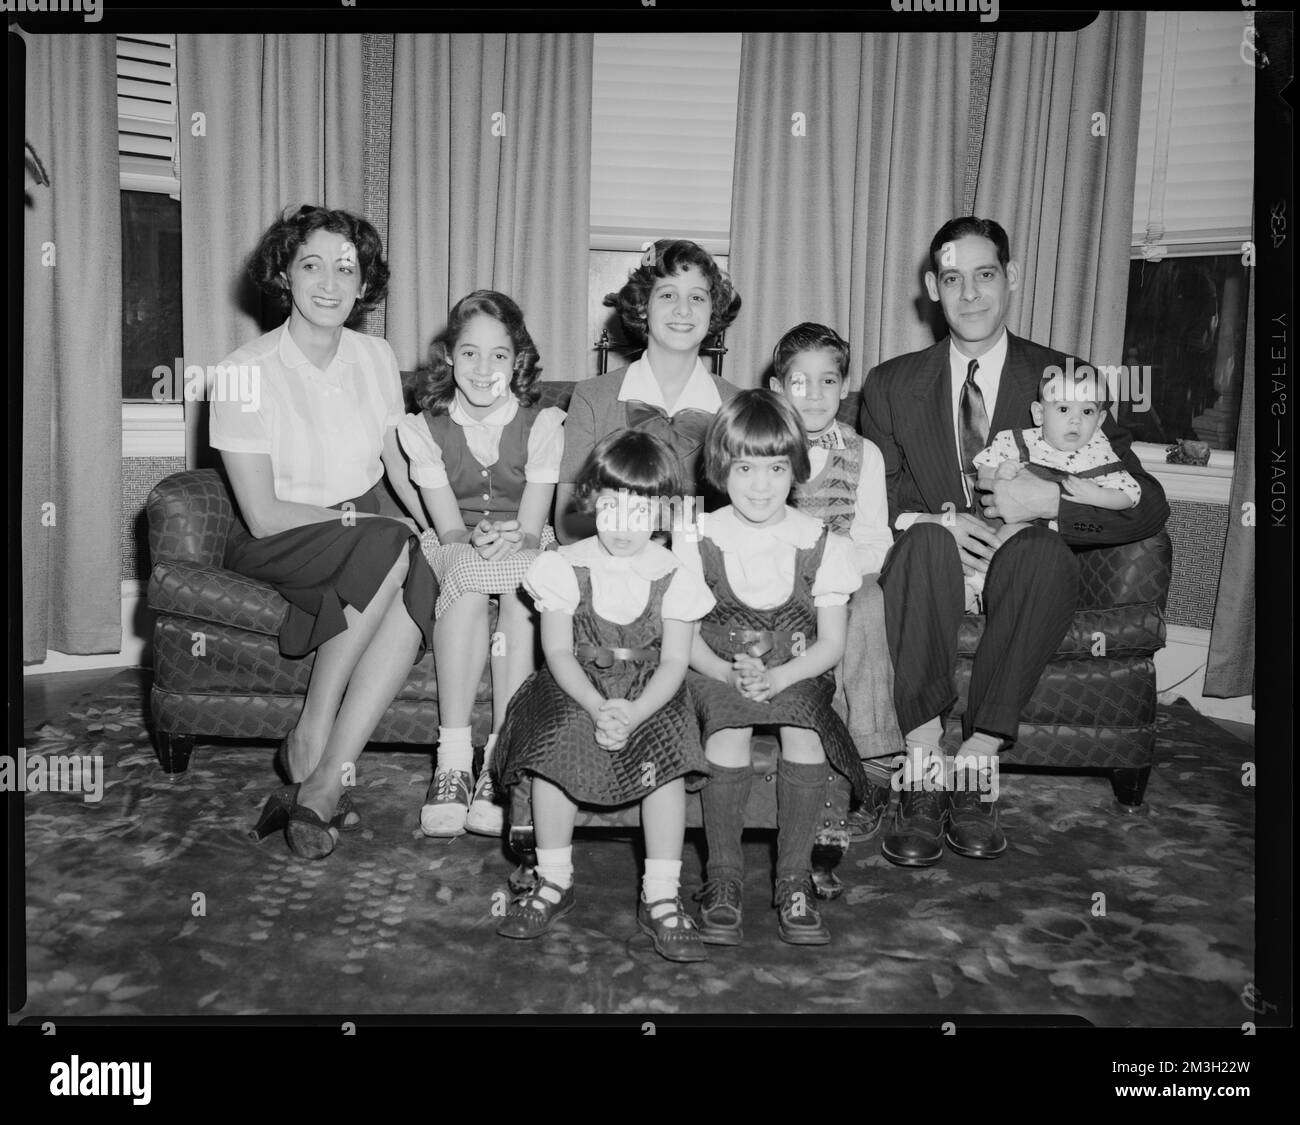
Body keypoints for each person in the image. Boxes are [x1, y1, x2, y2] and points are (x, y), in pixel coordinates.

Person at [859, 216, 1169, 867]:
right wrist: (936, 522)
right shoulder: (889, 385)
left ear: (1013, 278)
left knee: (1038, 550)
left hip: (1028, 576)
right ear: (932, 288)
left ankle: (976, 765)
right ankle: (921, 765)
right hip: (930, 572)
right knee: (922, 544)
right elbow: (873, 505)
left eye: (985, 275)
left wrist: (1048, 500)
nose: (969, 294)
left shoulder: (1066, 378)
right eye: (952, 278)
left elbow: (1146, 502)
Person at [213, 204, 436, 861]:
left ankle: (327, 781)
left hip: (364, 524)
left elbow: (396, 462)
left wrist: (433, 529)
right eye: (313, 264)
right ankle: (312, 727)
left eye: (348, 267)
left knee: (419, 555)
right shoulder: (243, 371)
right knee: (390, 542)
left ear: (366, 283)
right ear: (285, 273)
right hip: (281, 530)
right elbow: (261, 513)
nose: (332, 282)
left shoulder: (376, 354)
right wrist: (378, 524)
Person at [493, 431, 715, 963]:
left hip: (649, 692)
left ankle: (661, 892)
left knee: (666, 749)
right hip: (577, 685)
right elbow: (557, 653)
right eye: (611, 508)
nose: (622, 526)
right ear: (591, 498)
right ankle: (553, 878)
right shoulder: (563, 565)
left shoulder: (673, 574)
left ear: (664, 514)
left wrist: (636, 711)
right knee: (557, 739)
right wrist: (596, 707)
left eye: (640, 513)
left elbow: (675, 662)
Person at [675, 390, 868, 947]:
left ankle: (793, 880)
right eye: (745, 468)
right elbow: (684, 639)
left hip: (798, 666)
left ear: (796, 469)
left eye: (776, 467)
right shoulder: (697, 537)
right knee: (730, 730)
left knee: (805, 734)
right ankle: (723, 879)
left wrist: (781, 677)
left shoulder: (822, 543)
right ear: (720, 468)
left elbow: (831, 645)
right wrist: (727, 673)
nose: (761, 485)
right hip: (716, 667)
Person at [397, 291, 566, 839]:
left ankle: (499, 759)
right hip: (458, 541)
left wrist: (510, 538)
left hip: (524, 539)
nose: (484, 369)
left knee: (525, 590)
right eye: (469, 354)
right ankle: (452, 759)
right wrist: (476, 537)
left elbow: (537, 522)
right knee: (467, 578)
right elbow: (447, 526)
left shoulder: (543, 426)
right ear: (448, 356)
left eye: (499, 355)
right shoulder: (426, 428)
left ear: (517, 360)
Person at [768, 324, 903, 842]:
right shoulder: (763, 449)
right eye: (800, 382)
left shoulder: (862, 454)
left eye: (828, 381)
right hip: (779, 585)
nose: (815, 395)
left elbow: (875, 540)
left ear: (844, 387)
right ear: (779, 388)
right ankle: (825, 757)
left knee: (869, 601)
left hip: (844, 581)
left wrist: (838, 573)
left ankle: (873, 758)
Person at [555, 238, 742, 543]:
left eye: (697, 298)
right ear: (642, 306)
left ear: (713, 313)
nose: (683, 309)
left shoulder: (737, 406)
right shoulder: (592, 398)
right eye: (668, 295)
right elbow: (569, 526)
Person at [963, 364, 1143, 609]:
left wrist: (1099, 495)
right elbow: (984, 468)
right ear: (1039, 414)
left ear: (1100, 420)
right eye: (1063, 408)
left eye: (1088, 411)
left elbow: (1131, 494)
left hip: (1044, 548)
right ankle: (972, 584)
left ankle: (982, 584)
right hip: (990, 525)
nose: (1075, 420)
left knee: (1019, 540)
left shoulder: (1098, 456)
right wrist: (999, 472)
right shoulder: (1017, 441)